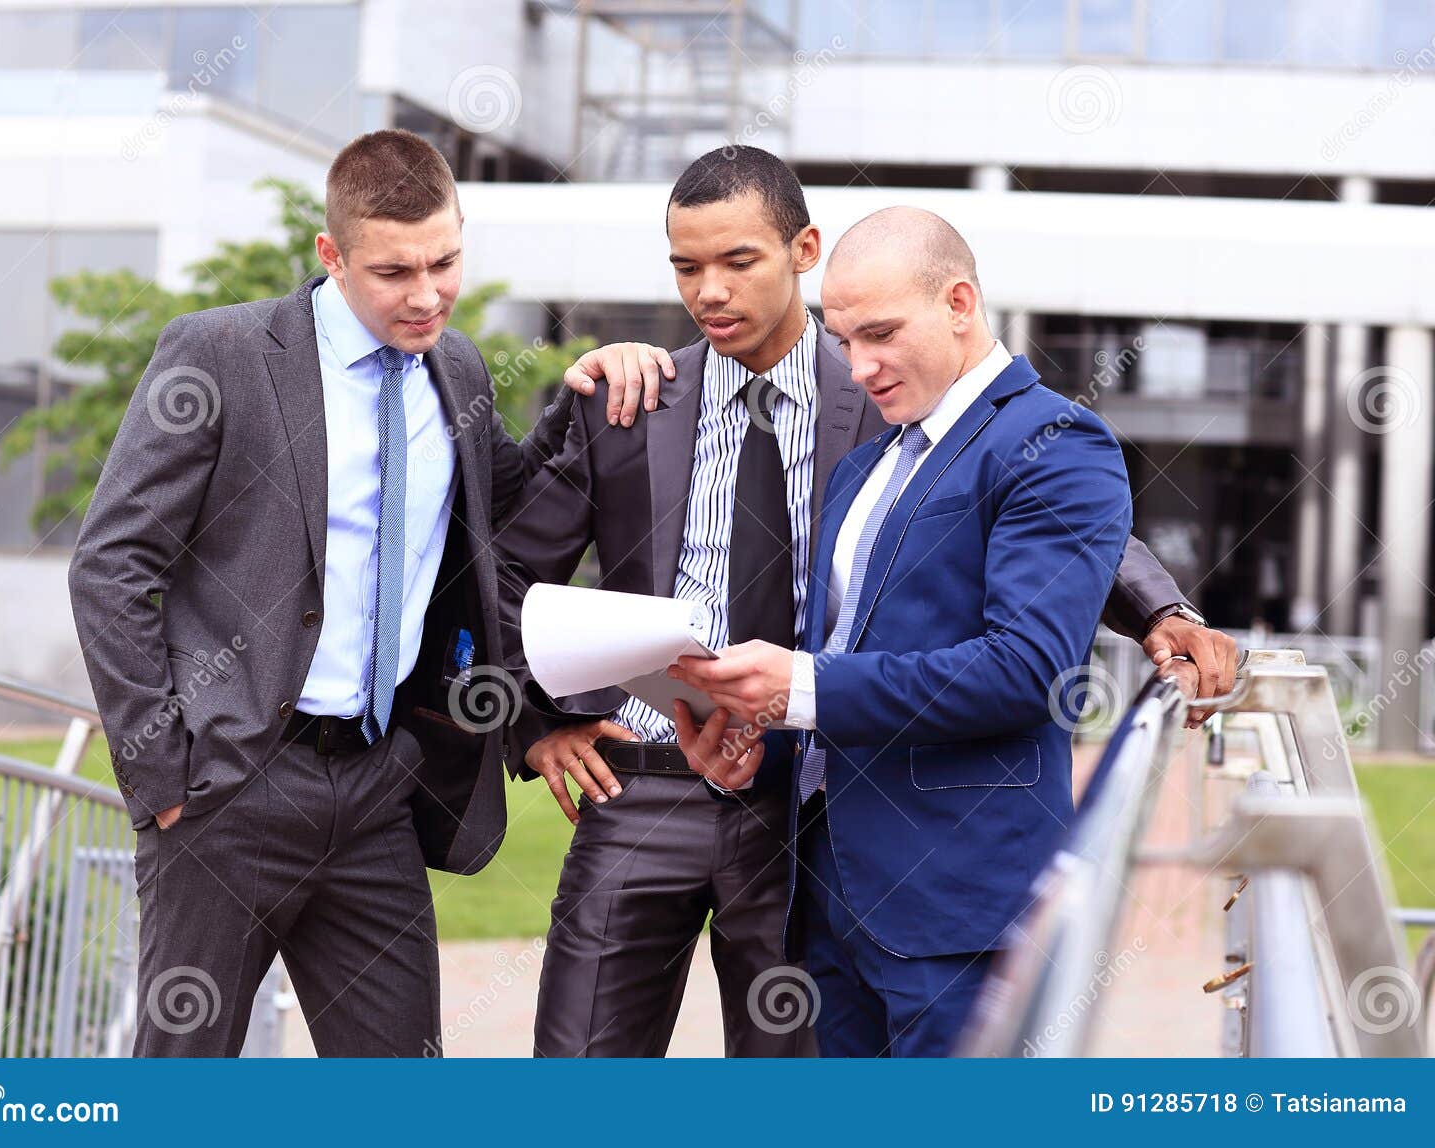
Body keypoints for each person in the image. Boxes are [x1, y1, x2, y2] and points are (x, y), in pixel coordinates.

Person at [495, 147, 1222, 1058]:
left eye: (738, 262)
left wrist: (1161, 610)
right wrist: (533, 716)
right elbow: (504, 566)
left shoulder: (889, 393)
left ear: (803, 249)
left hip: (804, 799)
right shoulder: (637, 396)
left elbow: (1042, 512)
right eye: (687, 268)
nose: (710, 292)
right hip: (652, 775)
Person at [68, 129, 656, 1057]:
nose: (427, 295)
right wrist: (163, 777)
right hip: (229, 790)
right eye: (394, 273)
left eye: (446, 262)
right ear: (332, 256)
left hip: (378, 786)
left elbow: (498, 506)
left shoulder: (455, 366)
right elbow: (110, 563)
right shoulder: (220, 354)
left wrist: (581, 395)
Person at [670, 206, 1134, 1056]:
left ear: (959, 303)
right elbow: (849, 661)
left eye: (880, 333)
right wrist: (758, 743)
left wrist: (798, 687)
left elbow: (1027, 670)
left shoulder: (1057, 443)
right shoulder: (865, 466)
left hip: (958, 907)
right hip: (831, 895)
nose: (861, 366)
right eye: (842, 341)